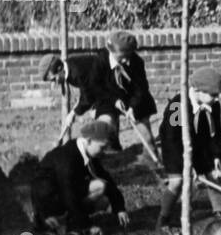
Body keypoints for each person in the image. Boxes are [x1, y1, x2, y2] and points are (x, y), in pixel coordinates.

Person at [65, 31, 159, 165]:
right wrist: (114, 100)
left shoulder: (136, 62)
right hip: (107, 98)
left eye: (129, 56)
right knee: (104, 127)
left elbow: (141, 89)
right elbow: (95, 86)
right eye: (123, 57)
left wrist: (132, 107)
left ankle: (152, 160)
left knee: (147, 137)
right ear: (112, 52)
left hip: (134, 99)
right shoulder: (100, 61)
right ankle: (99, 160)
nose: (127, 60)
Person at [157, 66, 221, 229]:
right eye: (213, 95)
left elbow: (216, 133)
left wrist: (217, 156)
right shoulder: (177, 105)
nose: (217, 99)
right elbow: (171, 139)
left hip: (201, 146)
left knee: (214, 175)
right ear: (197, 90)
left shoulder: (214, 106)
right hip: (176, 149)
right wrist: (186, 165)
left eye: (218, 95)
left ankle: (219, 213)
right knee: (178, 182)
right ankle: (163, 218)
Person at [31, 119, 130, 235]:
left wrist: (119, 208)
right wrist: (87, 226)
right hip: (48, 200)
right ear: (88, 141)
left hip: (61, 194)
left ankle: (69, 221)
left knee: (103, 195)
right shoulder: (68, 158)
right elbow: (68, 193)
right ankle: (55, 222)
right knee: (98, 188)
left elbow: (105, 178)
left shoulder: (85, 151)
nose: (103, 152)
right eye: (102, 147)